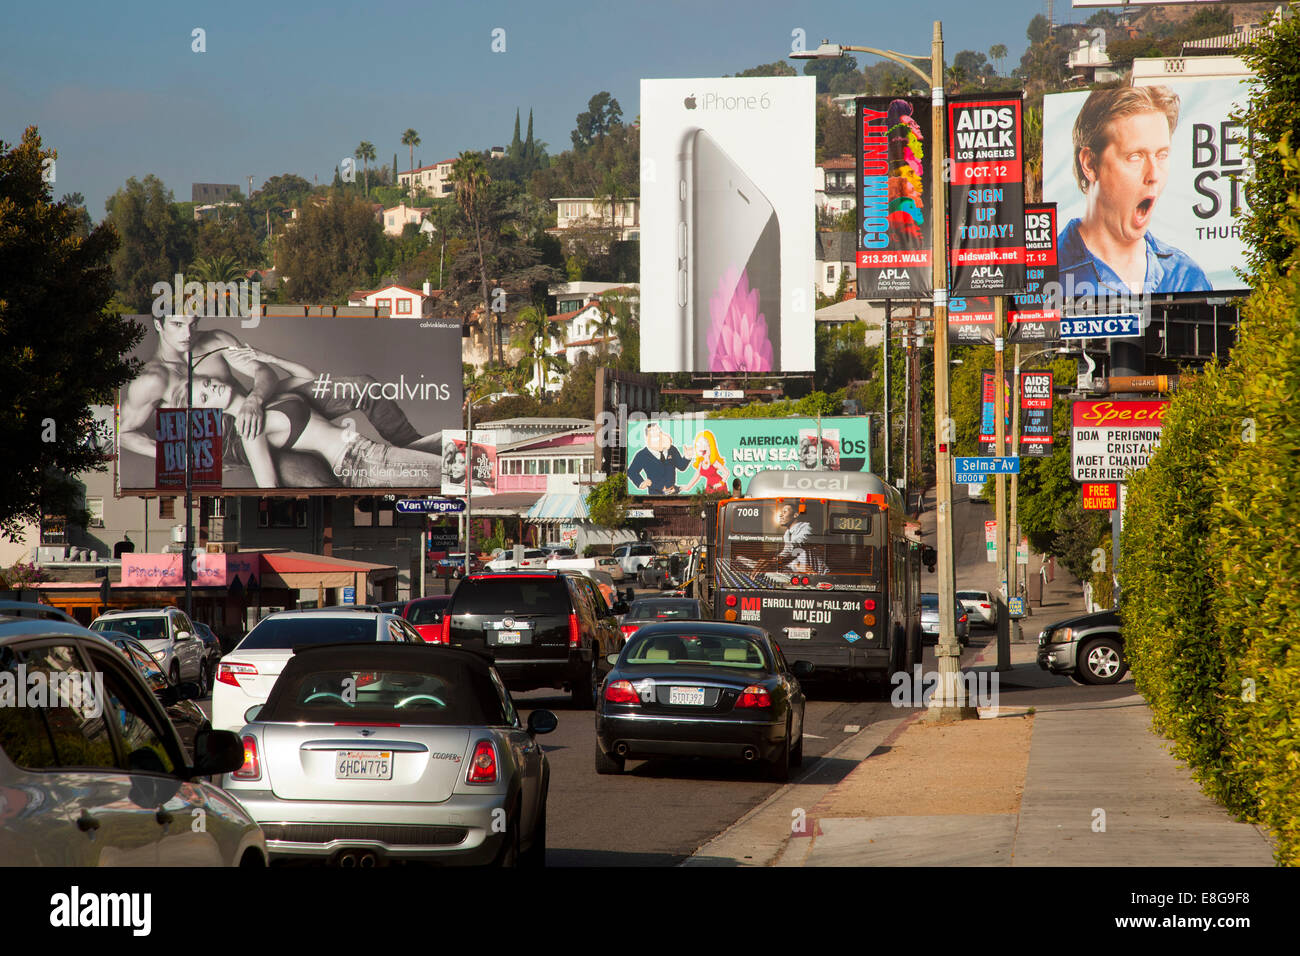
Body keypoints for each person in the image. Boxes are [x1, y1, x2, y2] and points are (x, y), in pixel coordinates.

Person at [120, 314, 439, 487]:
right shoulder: (153, 379)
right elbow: (125, 433)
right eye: (178, 325)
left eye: (193, 323)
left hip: (263, 408)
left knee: (364, 387)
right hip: (251, 436)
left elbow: (266, 372)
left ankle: (414, 447)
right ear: (159, 324)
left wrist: (256, 397)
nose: (188, 333)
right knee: (315, 480)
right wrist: (181, 456)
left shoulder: (216, 341)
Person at [174, 347, 441, 489]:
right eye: (206, 397)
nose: (213, 388)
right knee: (461, 470)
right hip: (361, 465)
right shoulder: (249, 430)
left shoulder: (268, 395)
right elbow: (268, 485)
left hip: (370, 451)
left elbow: (311, 379)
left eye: (207, 383)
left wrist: (270, 358)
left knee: (467, 459)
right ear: (207, 412)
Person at [1058, 86, 1210, 299]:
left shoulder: (1187, 277)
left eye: (1161, 155)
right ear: (1090, 164)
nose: (1154, 174)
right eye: (1135, 156)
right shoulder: (1049, 275)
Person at [755, 503, 828, 578]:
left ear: (795, 515)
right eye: (781, 512)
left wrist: (775, 562)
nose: (780, 515)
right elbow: (789, 554)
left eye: (784, 512)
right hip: (806, 576)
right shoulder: (787, 534)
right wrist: (796, 565)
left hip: (822, 576)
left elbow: (797, 545)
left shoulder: (807, 527)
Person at [627, 422, 692, 494]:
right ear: (647, 437)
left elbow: (681, 466)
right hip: (655, 494)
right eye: (652, 432)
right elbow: (631, 471)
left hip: (672, 492)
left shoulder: (672, 449)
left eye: (658, 431)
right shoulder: (642, 454)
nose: (657, 435)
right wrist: (641, 483)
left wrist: (687, 457)